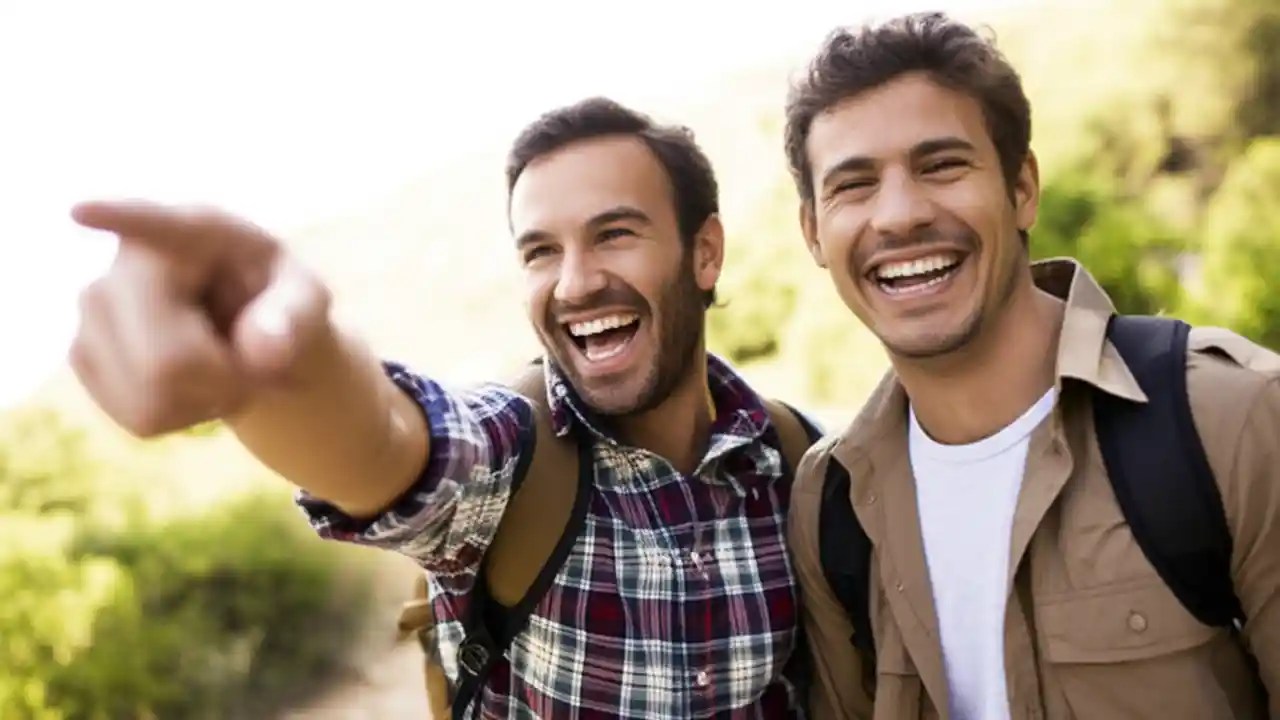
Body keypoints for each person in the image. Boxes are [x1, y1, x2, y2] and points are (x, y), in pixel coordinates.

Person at [67, 96, 824, 719]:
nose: (574, 283)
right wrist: (267, 364)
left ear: (706, 253)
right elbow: (389, 444)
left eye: (614, 235)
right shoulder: (517, 452)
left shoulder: (798, 458)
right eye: (540, 252)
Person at [781, 12, 1279, 720]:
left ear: (1022, 188)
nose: (898, 215)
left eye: (941, 165)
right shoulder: (829, 502)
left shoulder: (1235, 419)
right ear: (813, 233)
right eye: (853, 185)